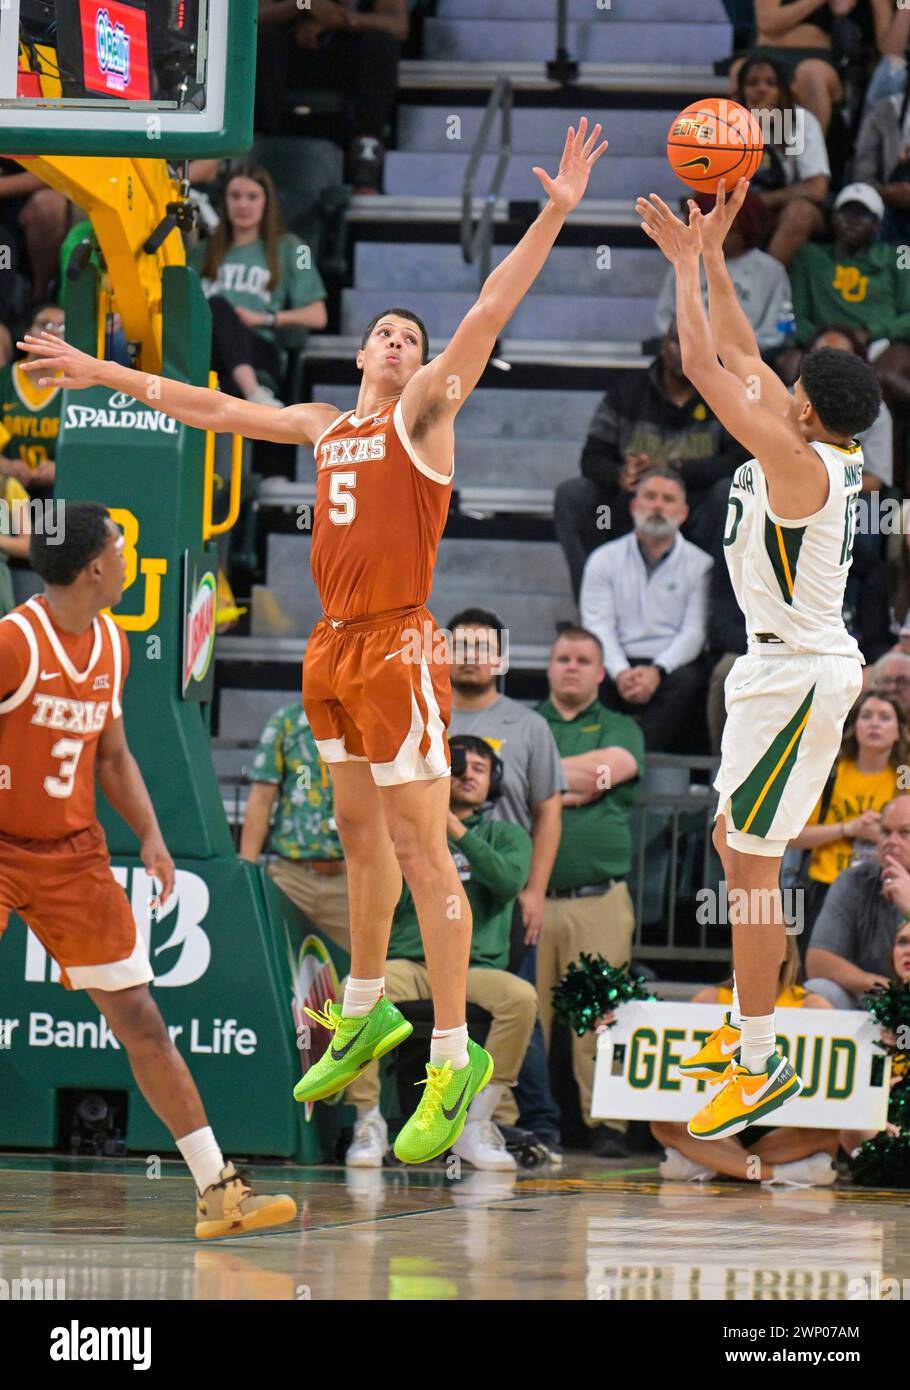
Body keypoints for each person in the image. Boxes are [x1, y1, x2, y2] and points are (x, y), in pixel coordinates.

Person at [20, 118, 609, 1166]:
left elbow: (484, 312)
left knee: (427, 849)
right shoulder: (322, 424)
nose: (395, 342)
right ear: (358, 350)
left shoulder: (425, 417)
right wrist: (98, 371)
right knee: (359, 836)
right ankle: (370, 1007)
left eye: (407, 338)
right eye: (383, 333)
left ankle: (448, 1055)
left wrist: (555, 214)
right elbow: (205, 406)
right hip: (332, 650)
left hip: (395, 645)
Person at [635, 175, 881, 1140]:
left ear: (811, 413)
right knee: (739, 848)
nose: (780, 382)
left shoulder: (794, 461)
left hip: (797, 671)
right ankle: (747, 1028)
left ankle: (762, 1057)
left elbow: (703, 362)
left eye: (796, 385)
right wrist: (714, 260)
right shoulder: (821, 438)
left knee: (750, 863)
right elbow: (740, 345)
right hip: (782, 668)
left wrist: (691, 267)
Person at [0, 503, 296, 1237]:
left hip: (72, 856)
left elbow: (112, 755)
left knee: (141, 1019)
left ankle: (217, 1191)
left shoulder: (110, 642)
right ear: (97, 565)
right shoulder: (13, 643)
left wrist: (153, 835)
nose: (131, 556)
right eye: (124, 544)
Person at [343, 735, 536, 1171]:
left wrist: (453, 829)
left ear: (495, 781)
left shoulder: (506, 835)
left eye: (480, 768)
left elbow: (507, 882)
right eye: (459, 766)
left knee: (521, 998)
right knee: (352, 992)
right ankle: (367, 1119)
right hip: (411, 964)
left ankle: (476, 1122)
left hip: (474, 970)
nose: (468, 774)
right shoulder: (410, 834)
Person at [447, 608, 567, 1156]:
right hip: (435, 882)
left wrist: (535, 889)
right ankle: (439, 1120)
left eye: (481, 647)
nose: (470, 656)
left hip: (503, 887)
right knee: (438, 1006)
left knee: (518, 1003)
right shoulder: (424, 714)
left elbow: (548, 810)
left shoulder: (528, 726)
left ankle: (538, 1123)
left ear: (500, 658)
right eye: (460, 646)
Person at [536, 626, 645, 1158]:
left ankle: (609, 1126)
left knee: (598, 1018)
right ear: (550, 667)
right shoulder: (527, 723)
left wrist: (542, 788)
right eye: (563, 658)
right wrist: (573, 787)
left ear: (601, 672)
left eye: (583, 659)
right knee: (525, 1019)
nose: (571, 667)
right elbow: (505, 781)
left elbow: (614, 769)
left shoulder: (622, 724)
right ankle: (515, 1124)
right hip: (529, 898)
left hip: (599, 900)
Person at [554, 322, 745, 596]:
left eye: (695, 344)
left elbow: (740, 460)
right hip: (629, 506)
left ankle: (718, 612)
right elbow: (592, 457)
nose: (683, 351)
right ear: (663, 346)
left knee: (729, 494)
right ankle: (592, 603)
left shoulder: (724, 395)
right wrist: (620, 474)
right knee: (574, 494)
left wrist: (677, 470)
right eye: (676, 341)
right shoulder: (627, 393)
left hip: (697, 508)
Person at [654, 938, 839, 1186]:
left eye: (766, 939)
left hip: (784, 1119)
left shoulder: (813, 1005)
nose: (758, 948)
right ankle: (776, 1174)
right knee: (664, 1125)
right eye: (751, 941)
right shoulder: (709, 999)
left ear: (786, 952)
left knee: (826, 1133)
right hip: (716, 1114)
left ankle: (715, 1166)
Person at [580, 468, 714, 752]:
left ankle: (630, 758)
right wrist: (620, 672)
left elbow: (694, 633)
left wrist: (658, 671)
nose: (657, 505)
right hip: (618, 660)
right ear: (633, 506)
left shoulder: (701, 565)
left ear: (683, 513)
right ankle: (622, 759)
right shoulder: (603, 559)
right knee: (589, 672)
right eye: (650, 496)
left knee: (690, 680)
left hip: (671, 665)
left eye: (668, 499)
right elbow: (598, 626)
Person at [188, 162, 328, 407]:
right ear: (225, 201)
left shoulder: (296, 248)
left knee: (218, 306)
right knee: (215, 311)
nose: (243, 204)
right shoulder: (202, 251)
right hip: (206, 347)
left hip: (259, 348)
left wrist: (264, 319)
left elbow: (318, 315)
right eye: (235, 196)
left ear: (267, 202)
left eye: (252, 197)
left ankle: (254, 392)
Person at [256, 0, 409, 193]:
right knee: (263, 38)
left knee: (382, 42)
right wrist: (302, 5)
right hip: (288, 54)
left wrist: (339, 21)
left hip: (347, 55)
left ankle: (366, 153)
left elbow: (398, 25)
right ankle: (260, 151)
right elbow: (252, 17)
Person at [789, 182, 910, 420]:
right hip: (825, 345)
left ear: (877, 225)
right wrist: (820, 340)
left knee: (891, 371)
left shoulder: (896, 257)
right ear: (833, 218)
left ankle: (884, 452)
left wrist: (871, 331)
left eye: (863, 215)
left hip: (878, 344)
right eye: (846, 212)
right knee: (791, 365)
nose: (852, 220)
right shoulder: (810, 256)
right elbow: (797, 317)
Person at [790, 692, 908, 934]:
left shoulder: (904, 778)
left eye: (885, 717)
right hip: (827, 885)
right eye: (866, 716)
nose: (875, 723)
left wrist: (884, 835)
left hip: (890, 884)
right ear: (854, 727)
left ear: (899, 731)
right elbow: (794, 837)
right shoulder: (828, 773)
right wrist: (848, 828)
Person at [239, 698, 350, 954]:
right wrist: (247, 868)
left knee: (356, 972)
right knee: (266, 954)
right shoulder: (286, 721)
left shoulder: (369, 721)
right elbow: (261, 799)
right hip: (290, 875)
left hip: (349, 878)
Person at [804, 793, 910, 1007]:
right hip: (875, 998)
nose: (891, 841)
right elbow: (818, 960)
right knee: (819, 990)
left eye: (905, 833)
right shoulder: (853, 880)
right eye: (886, 832)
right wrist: (886, 988)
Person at [655, 188, 790, 353]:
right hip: (691, 352)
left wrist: (732, 349)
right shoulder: (687, 260)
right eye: (711, 230)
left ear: (746, 232)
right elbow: (665, 316)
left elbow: (774, 331)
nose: (718, 237)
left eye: (729, 232)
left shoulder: (770, 270)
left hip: (748, 356)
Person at [731, 55, 829, 265]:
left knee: (800, 213)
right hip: (740, 208)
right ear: (740, 92)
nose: (762, 89)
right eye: (752, 83)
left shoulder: (802, 121)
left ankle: (765, 281)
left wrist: (764, 201)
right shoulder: (727, 125)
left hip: (783, 208)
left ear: (783, 91)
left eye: (771, 83)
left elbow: (817, 188)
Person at [732, 4, 845, 134]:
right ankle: (743, 145)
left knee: (811, 73)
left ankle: (808, 150)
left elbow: (843, 7)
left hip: (817, 56)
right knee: (740, 68)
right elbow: (768, 23)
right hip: (767, 53)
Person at [0, 304, 64, 501]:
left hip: (58, 489)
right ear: (26, 331)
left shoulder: (77, 384)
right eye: (45, 324)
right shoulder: (4, 380)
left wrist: (61, 469)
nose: (53, 331)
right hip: (7, 486)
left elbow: (88, 452)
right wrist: (6, 465)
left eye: (62, 327)